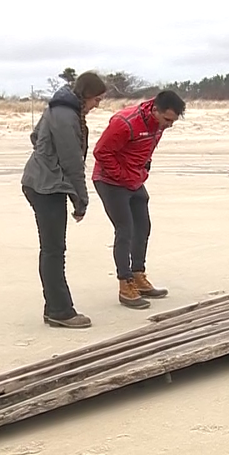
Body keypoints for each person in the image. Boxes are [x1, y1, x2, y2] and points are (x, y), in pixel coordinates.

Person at [20, 71, 110, 328]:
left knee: (52, 249)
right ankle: (59, 310)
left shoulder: (60, 108)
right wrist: (81, 200)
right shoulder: (66, 115)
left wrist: (47, 157)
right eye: (97, 100)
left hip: (43, 183)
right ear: (86, 95)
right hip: (45, 187)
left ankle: (55, 308)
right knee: (53, 250)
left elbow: (36, 137)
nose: (97, 105)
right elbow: (73, 163)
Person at [92, 90, 186, 309]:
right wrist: (124, 176)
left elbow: (145, 148)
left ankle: (138, 275)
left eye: (173, 121)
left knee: (143, 227)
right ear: (155, 110)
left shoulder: (158, 124)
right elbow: (101, 153)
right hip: (110, 180)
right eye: (167, 120)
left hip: (134, 179)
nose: (169, 125)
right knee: (125, 230)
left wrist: (144, 167)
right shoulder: (125, 122)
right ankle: (125, 285)